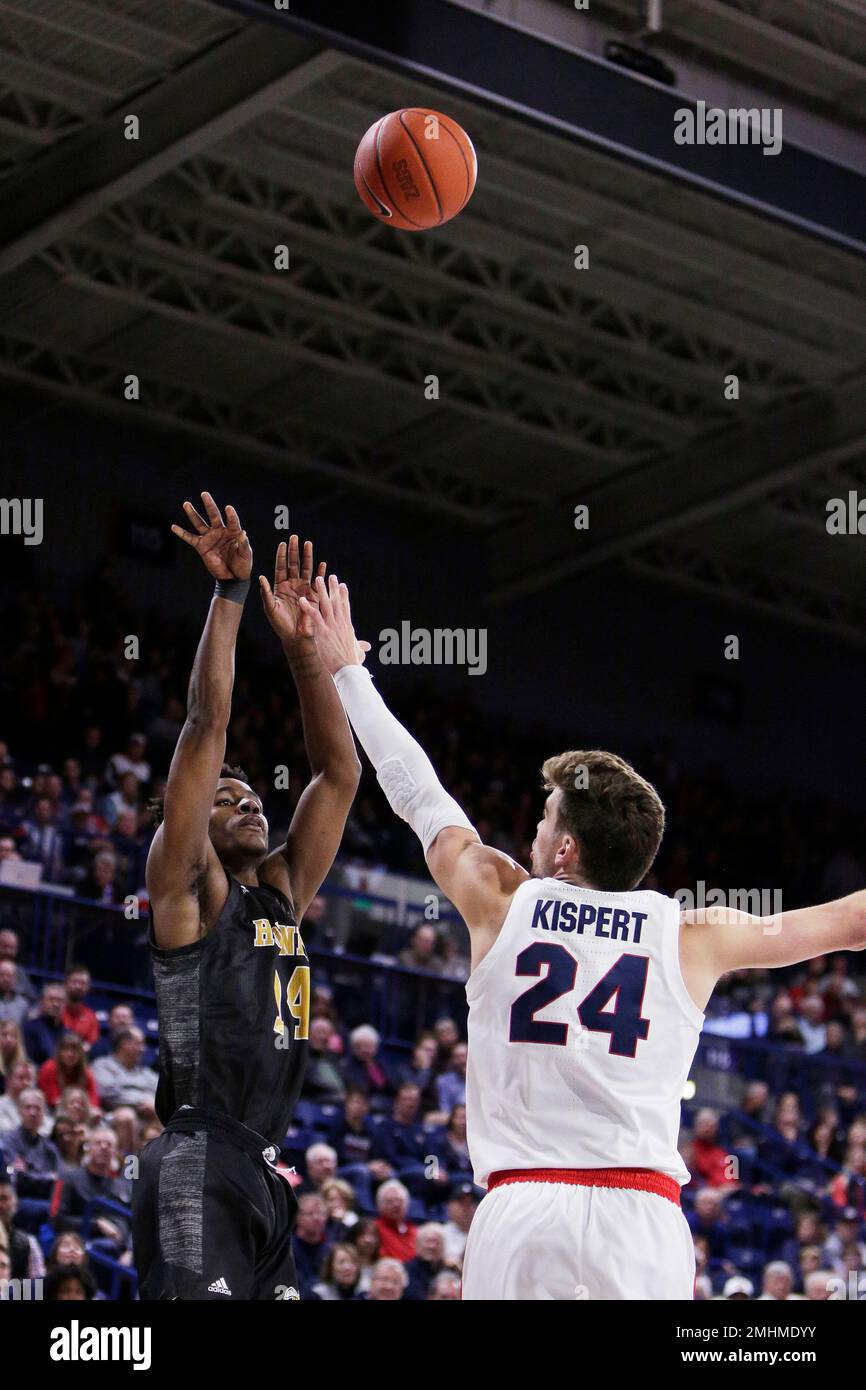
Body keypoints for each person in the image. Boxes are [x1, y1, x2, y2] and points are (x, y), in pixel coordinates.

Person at [302, 577, 866, 1300]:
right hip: (642, 1221)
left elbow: (418, 795)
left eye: (544, 819)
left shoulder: (501, 899)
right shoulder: (693, 935)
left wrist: (349, 670)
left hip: (522, 1208)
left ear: (564, 849)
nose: (535, 830)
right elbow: (849, 923)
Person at [131, 502, 360, 1301]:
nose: (251, 802)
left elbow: (338, 775)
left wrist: (305, 651)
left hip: (265, 1171)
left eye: (256, 795)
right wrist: (229, 599)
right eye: (227, 798)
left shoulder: (283, 891)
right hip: (197, 1158)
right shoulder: (189, 889)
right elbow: (206, 723)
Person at [38, 1033, 100, 1111]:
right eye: (66, 1050)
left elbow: (93, 1098)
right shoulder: (49, 1068)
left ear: (81, 1054)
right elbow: (53, 1100)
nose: (70, 1054)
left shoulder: (85, 1071)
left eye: (74, 1050)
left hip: (81, 1111)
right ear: (59, 1052)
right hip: (54, 1111)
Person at [22, 981, 67, 1066]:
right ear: (41, 1002)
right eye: (52, 999)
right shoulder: (29, 1029)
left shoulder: (68, 1034)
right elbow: (28, 1063)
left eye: (60, 1001)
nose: (56, 1004)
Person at [61, 967, 100, 1050]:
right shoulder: (55, 1010)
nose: (78, 986)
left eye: (83, 983)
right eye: (74, 982)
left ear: (88, 988)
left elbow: (91, 1044)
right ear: (65, 983)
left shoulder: (91, 1016)